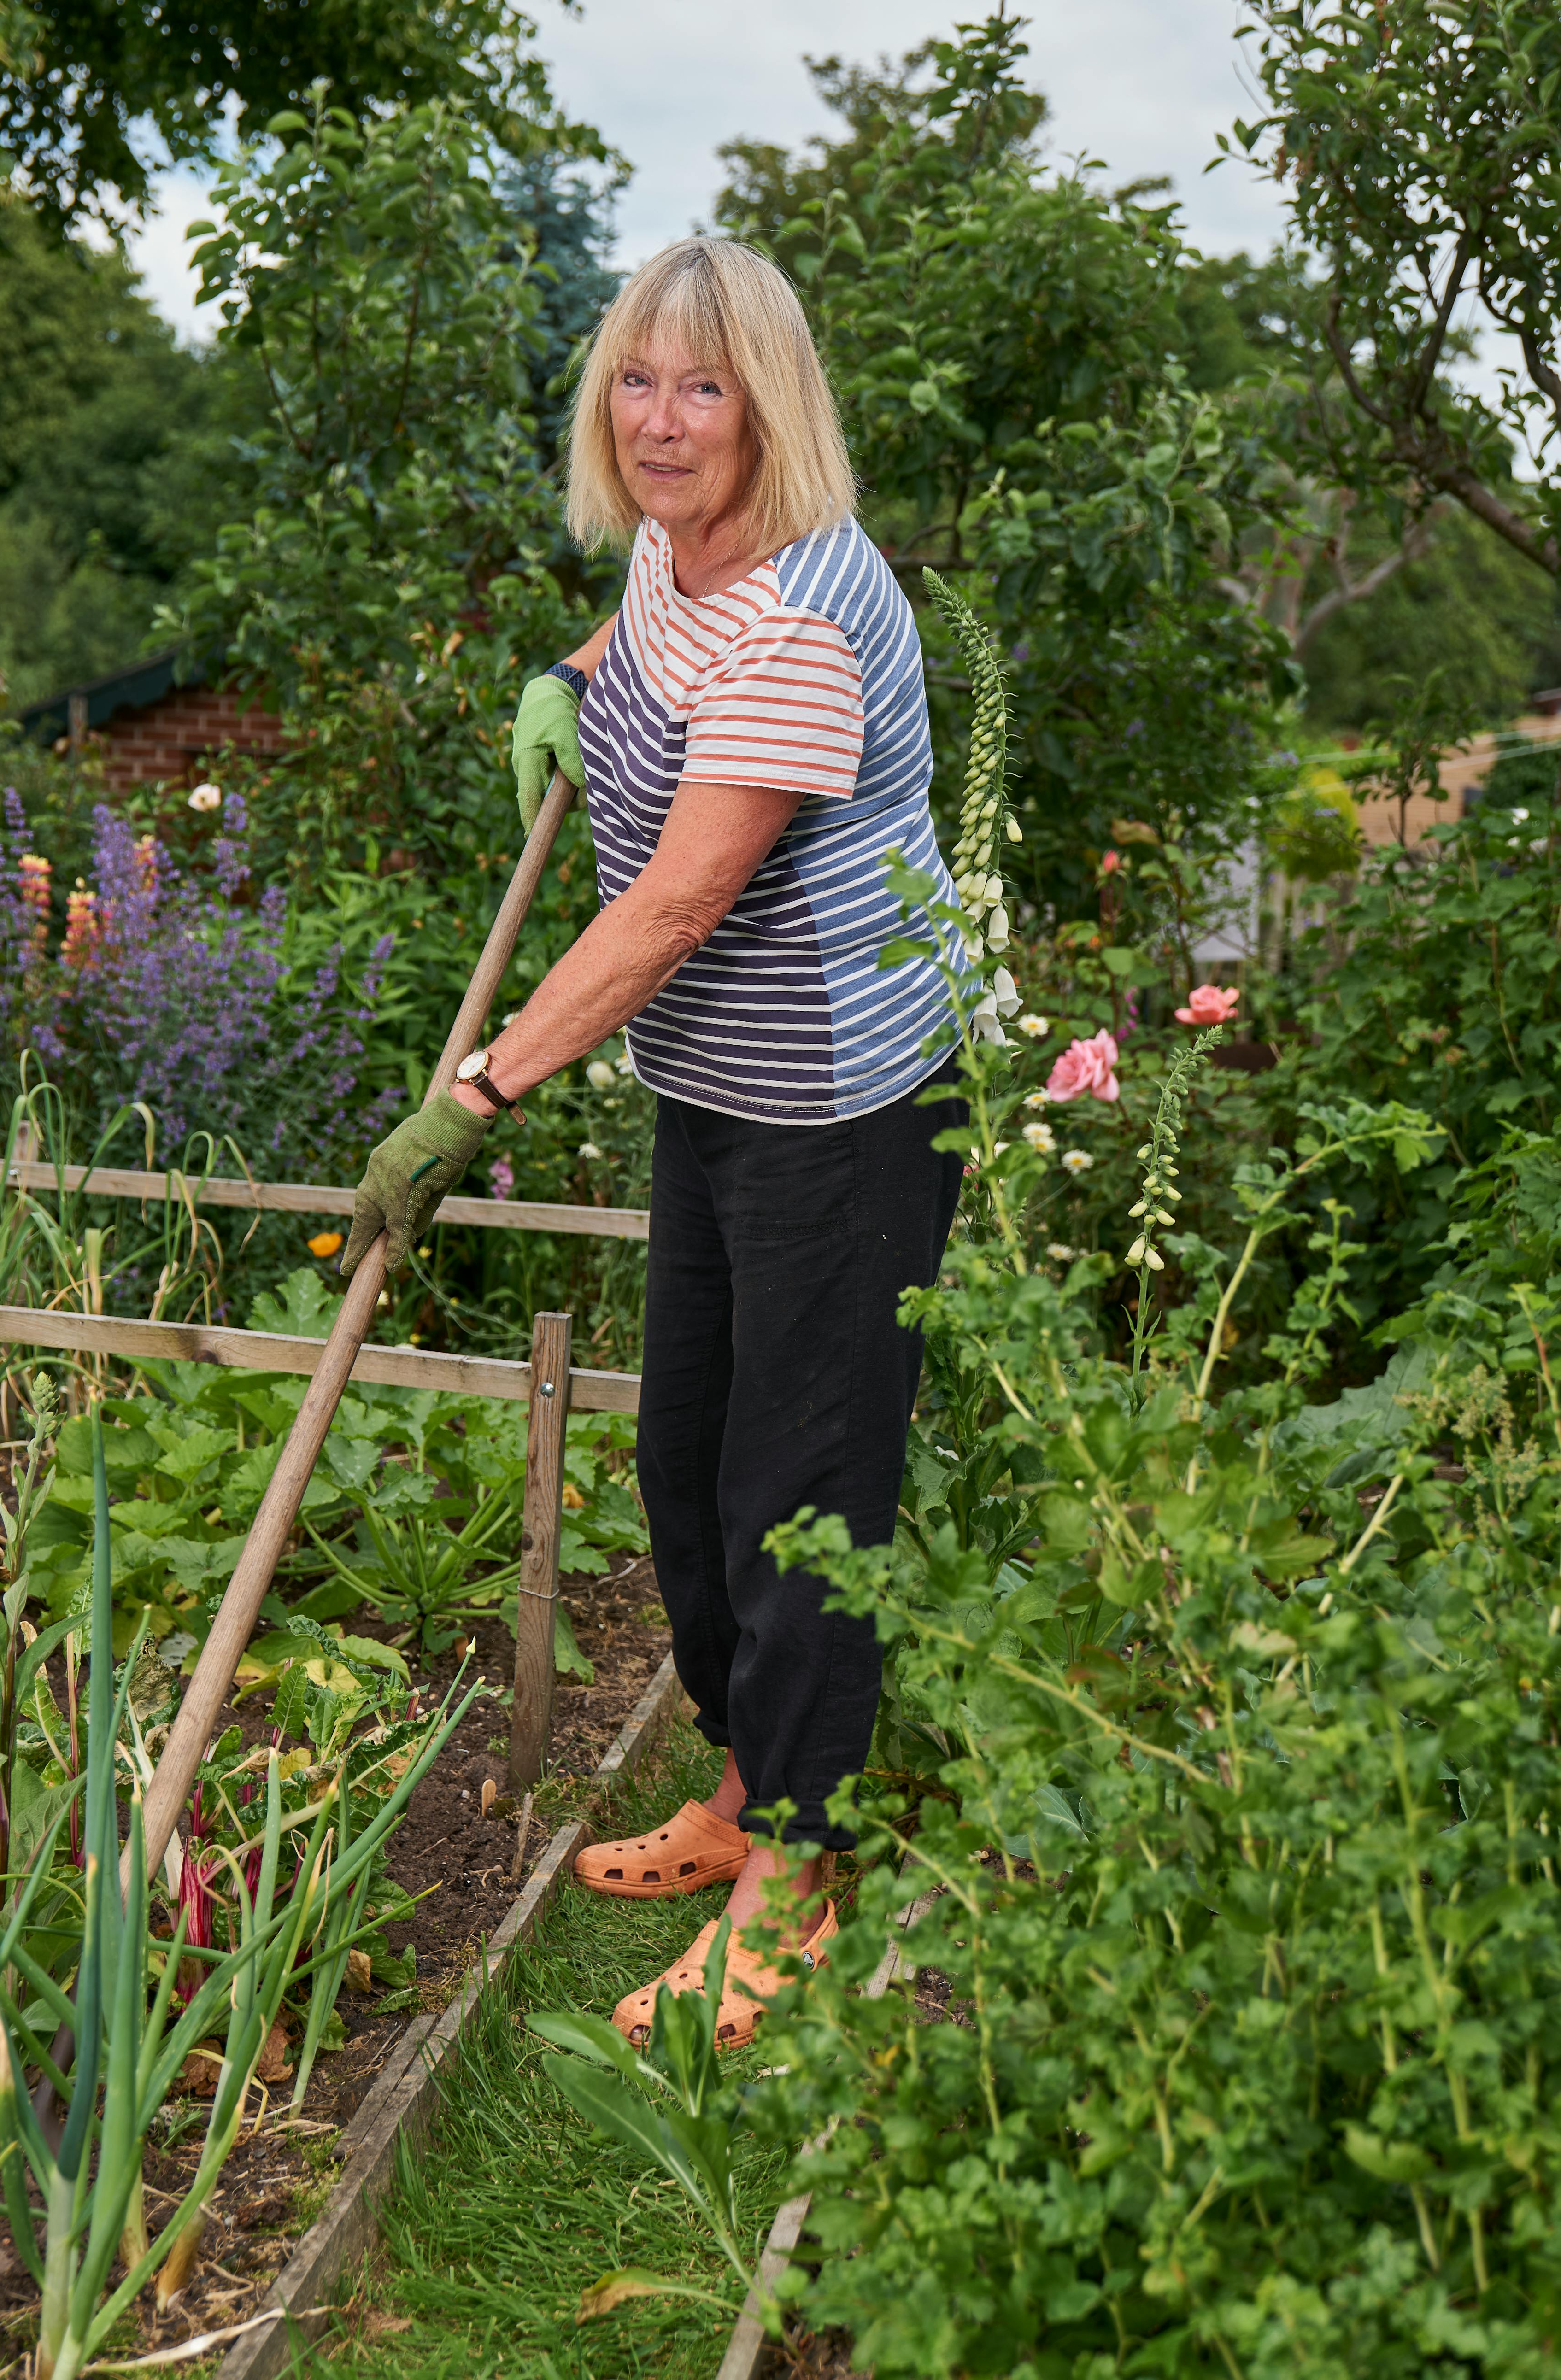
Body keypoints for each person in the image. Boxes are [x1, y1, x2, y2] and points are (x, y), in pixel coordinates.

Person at [343, 235, 963, 2048]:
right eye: (636, 380)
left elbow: (675, 905)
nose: (665, 420)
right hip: (718, 1090)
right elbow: (641, 627)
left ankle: (803, 1877)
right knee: (688, 1463)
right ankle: (737, 1789)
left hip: (845, 1115)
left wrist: (467, 1101)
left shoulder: (799, 615)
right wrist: (568, 676)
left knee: (800, 1499)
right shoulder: (676, 552)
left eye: (705, 387)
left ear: (770, 408)